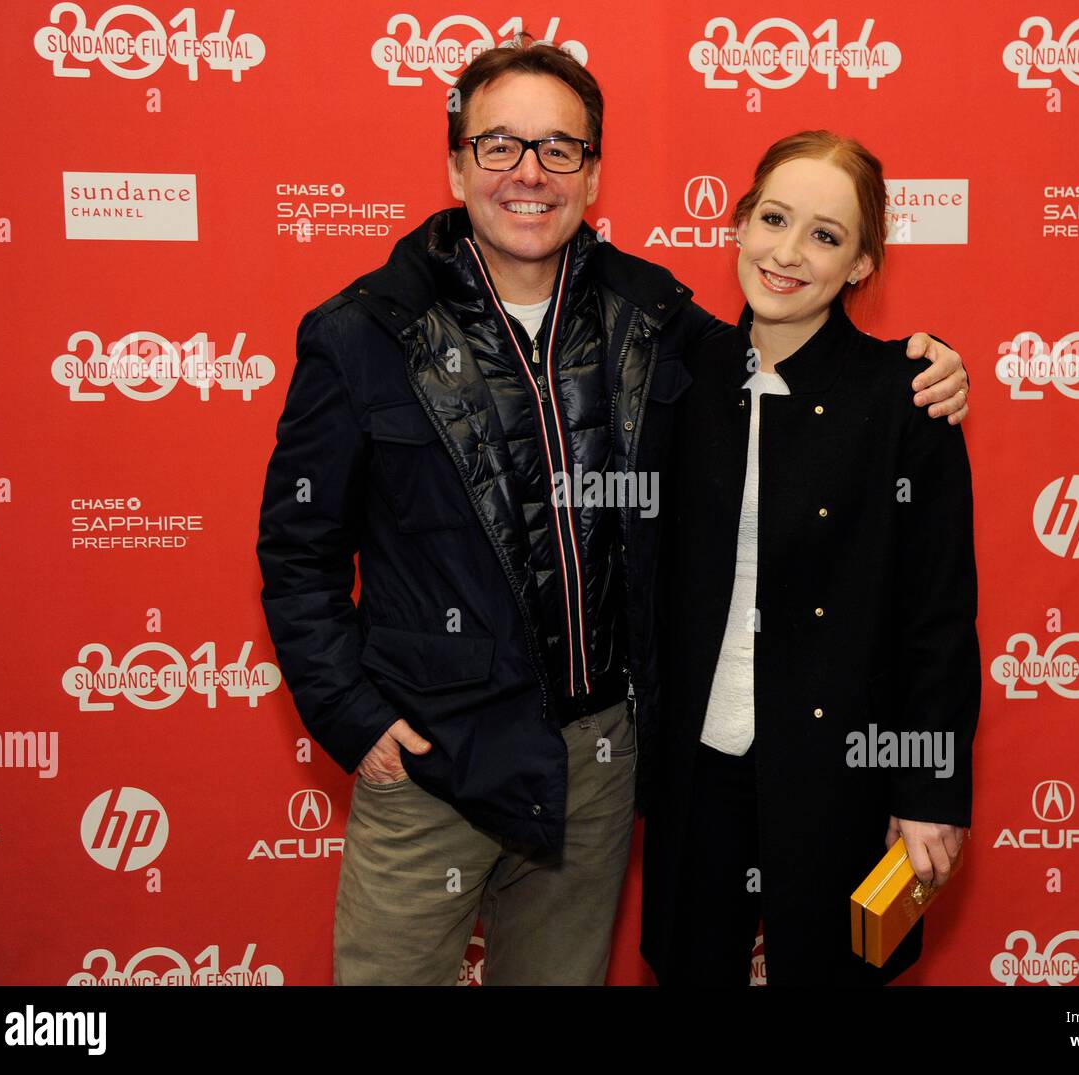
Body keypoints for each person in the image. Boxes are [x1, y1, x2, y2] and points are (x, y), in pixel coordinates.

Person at [256, 36, 970, 986]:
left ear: (592, 173)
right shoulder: (365, 333)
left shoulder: (649, 320)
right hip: (437, 761)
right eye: (500, 145)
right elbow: (297, 550)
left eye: (560, 150)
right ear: (456, 160)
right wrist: (353, 716)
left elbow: (930, 605)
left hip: (603, 760)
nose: (529, 173)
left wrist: (928, 365)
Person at [640, 131, 981, 987]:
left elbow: (935, 616)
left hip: (841, 770)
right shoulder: (673, 370)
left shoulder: (906, 398)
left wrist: (929, 790)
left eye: (826, 236)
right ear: (739, 225)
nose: (787, 253)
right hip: (697, 759)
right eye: (773, 218)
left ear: (864, 264)